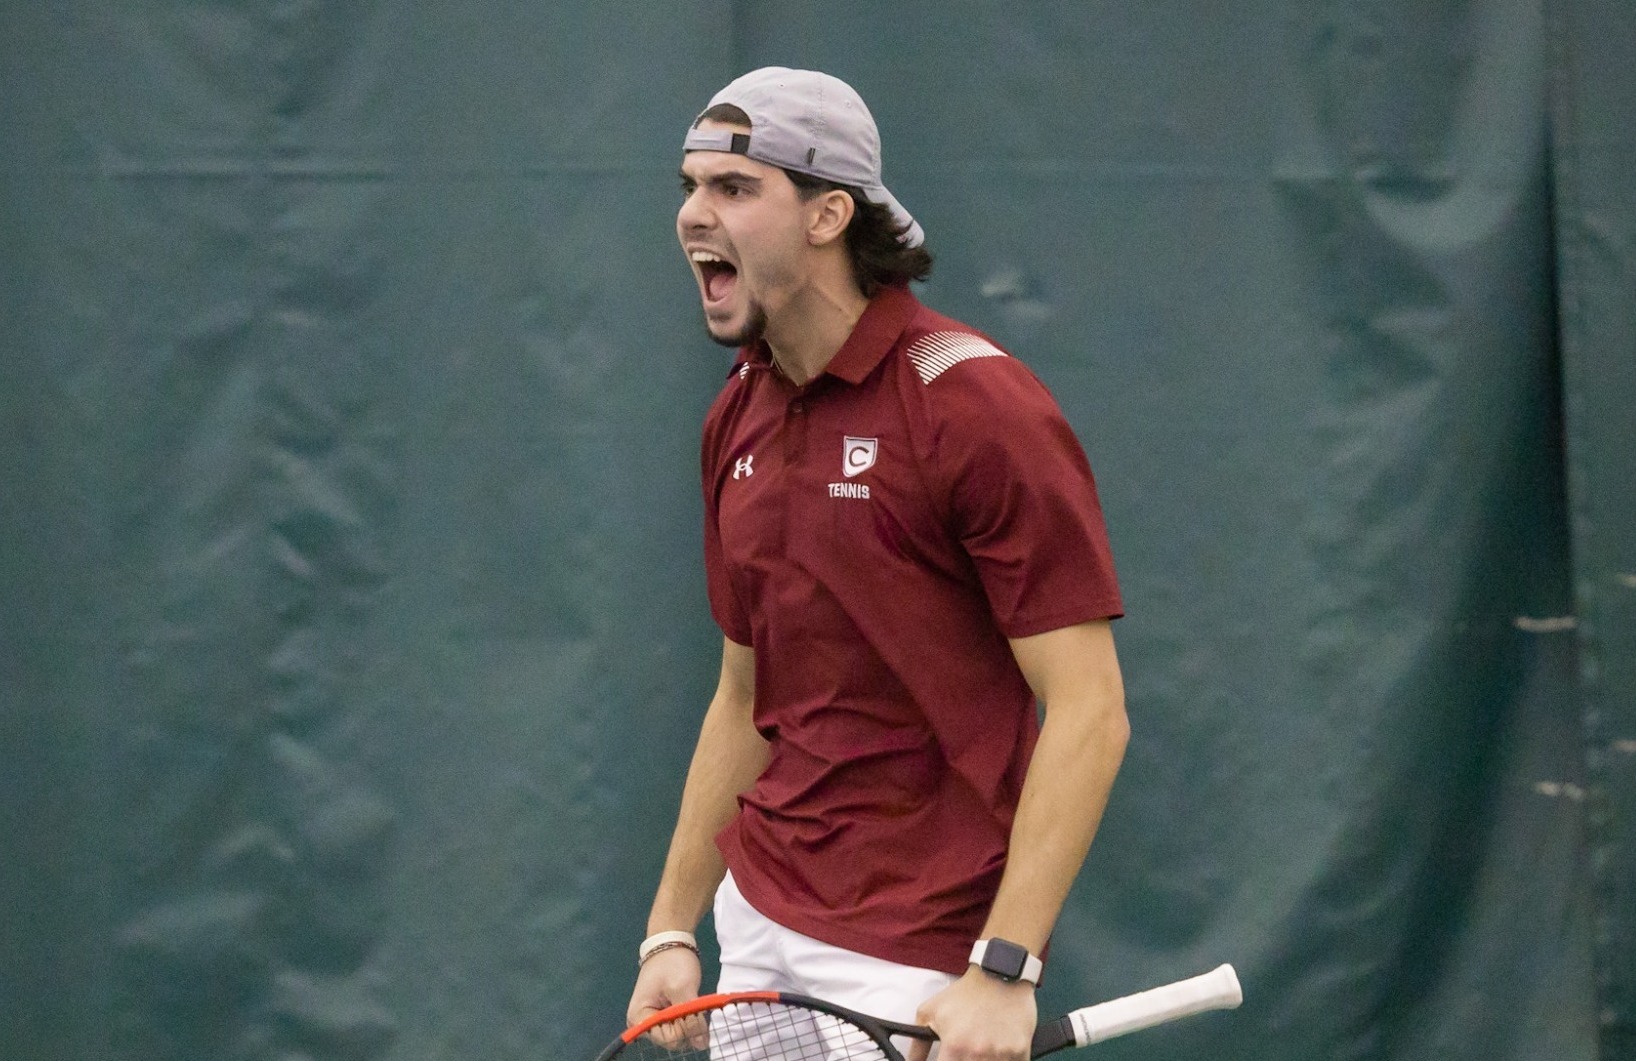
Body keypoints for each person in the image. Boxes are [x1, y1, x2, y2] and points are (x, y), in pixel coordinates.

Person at [626, 66, 1129, 1061]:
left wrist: (1004, 968)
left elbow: (1088, 709)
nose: (693, 214)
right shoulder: (738, 412)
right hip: (762, 913)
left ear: (828, 215)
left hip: (918, 944)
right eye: (689, 185)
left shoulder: (974, 405)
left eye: (733, 188)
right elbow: (745, 695)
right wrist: (673, 923)